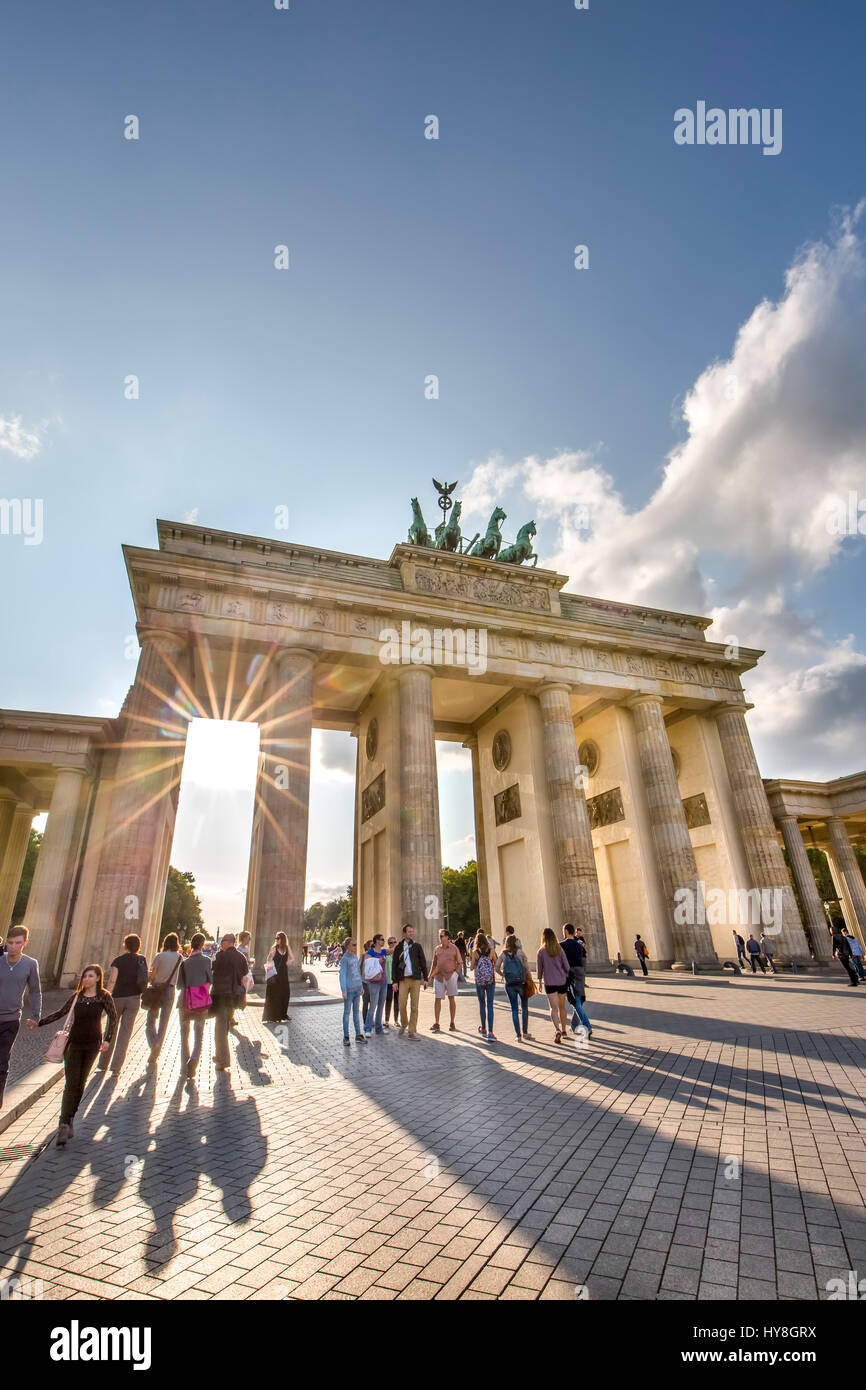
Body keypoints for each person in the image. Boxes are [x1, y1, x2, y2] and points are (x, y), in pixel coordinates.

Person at [39, 964, 116, 1146]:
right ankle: (64, 1123)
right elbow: (60, 1013)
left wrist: (108, 1040)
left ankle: (71, 1117)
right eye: (85, 976)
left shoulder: (104, 997)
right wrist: (39, 1023)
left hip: (92, 1045)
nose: (86, 979)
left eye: (90, 976)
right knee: (71, 1083)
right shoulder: (77, 997)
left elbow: (113, 1018)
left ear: (98, 978)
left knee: (80, 1084)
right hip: (73, 1044)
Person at [0, 925, 42, 1109]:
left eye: (18, 943)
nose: (13, 947)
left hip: (10, 1020)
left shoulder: (30, 964)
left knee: (2, 1060)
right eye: (10, 943)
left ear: (25, 943)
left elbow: (35, 991)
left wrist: (36, 1015)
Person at [98, 934, 148, 1074]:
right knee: (125, 1033)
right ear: (139, 946)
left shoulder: (118, 961)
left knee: (110, 1029)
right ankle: (116, 1066)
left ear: (125, 945)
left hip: (117, 998)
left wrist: (106, 996)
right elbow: (144, 979)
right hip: (134, 999)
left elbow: (112, 980)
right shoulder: (142, 960)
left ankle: (103, 1063)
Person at [176, 933, 213, 1082]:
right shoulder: (206, 961)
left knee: (184, 1035)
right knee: (199, 1033)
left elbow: (179, 985)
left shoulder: (184, 962)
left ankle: (184, 1067)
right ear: (202, 945)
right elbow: (210, 980)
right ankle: (194, 1060)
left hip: (184, 1001)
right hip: (200, 1000)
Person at [211, 933, 249, 1070]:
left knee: (220, 1027)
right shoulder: (241, 957)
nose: (221, 944)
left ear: (228, 942)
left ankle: (223, 1059)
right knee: (225, 1025)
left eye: (222, 942)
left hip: (221, 996)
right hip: (234, 997)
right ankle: (221, 1055)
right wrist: (244, 995)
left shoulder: (220, 956)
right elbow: (245, 979)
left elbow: (212, 973)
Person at [145, 932, 183, 1065]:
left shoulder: (159, 956)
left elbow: (153, 976)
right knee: (164, 1022)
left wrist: (150, 975)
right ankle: (158, 1045)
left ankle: (154, 1043)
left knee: (151, 1020)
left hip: (156, 990)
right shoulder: (179, 957)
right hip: (170, 990)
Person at [391, 924, 428, 1039]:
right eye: (409, 931)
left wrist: (426, 978)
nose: (411, 933)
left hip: (415, 980)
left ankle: (411, 1031)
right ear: (404, 933)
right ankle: (404, 1023)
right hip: (403, 980)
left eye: (412, 931)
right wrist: (394, 981)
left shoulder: (417, 946)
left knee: (414, 1006)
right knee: (401, 1004)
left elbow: (423, 962)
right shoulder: (398, 948)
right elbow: (394, 965)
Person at [536, 928, 572, 1042]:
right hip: (561, 981)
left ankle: (557, 1030)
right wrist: (567, 977)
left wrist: (540, 982)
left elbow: (539, 970)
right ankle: (564, 1030)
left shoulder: (541, 951)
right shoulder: (559, 949)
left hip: (549, 982)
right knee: (562, 1007)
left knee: (553, 1008)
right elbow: (566, 966)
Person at [497, 931, 533, 1041]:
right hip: (521, 983)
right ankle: (525, 1032)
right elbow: (526, 968)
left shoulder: (503, 954)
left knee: (514, 1009)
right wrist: (529, 979)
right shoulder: (520, 953)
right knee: (525, 1007)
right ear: (516, 942)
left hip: (510, 984)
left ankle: (518, 1035)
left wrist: (503, 975)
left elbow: (497, 967)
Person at [428, 928, 462, 1033]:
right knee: (437, 999)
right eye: (439, 936)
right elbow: (434, 964)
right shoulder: (437, 949)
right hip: (438, 977)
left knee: (451, 999)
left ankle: (452, 1022)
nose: (440, 938)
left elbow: (460, 963)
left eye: (442, 936)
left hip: (450, 976)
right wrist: (429, 977)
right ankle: (437, 1022)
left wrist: (455, 974)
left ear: (447, 937)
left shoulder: (454, 948)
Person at [561, 923, 592, 1038]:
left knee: (575, 1001)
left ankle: (587, 1026)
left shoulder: (562, 945)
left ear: (566, 932)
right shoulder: (579, 945)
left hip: (570, 974)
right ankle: (574, 1026)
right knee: (578, 999)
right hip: (580, 972)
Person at [470, 930, 498, 1041]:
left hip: (480, 981)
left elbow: (471, 967)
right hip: (490, 980)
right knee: (490, 1004)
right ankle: (491, 1032)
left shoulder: (475, 952)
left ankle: (484, 1028)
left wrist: (477, 964)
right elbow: (495, 962)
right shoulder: (491, 950)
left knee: (482, 1004)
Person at [339, 936, 365, 1045]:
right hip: (349, 991)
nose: (355, 946)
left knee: (355, 1013)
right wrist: (344, 990)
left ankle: (358, 1035)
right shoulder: (345, 959)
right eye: (353, 945)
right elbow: (342, 975)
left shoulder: (354, 957)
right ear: (348, 946)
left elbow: (358, 973)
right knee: (346, 1013)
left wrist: (361, 987)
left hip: (356, 990)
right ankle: (346, 1037)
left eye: (355, 944)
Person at [263, 932, 294, 1023]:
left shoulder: (287, 948)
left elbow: (293, 958)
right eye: (276, 938)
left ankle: (282, 1014)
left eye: (278, 938)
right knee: (273, 994)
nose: (276, 940)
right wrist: (270, 956)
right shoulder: (273, 948)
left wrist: (289, 962)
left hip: (283, 974)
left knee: (284, 993)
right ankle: (271, 1016)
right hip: (274, 973)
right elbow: (268, 960)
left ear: (283, 939)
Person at [361, 935, 388, 1036]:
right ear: (376, 941)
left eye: (383, 940)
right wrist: (377, 961)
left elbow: (393, 950)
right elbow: (367, 964)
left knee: (381, 1006)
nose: (383, 941)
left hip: (384, 982)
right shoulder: (370, 952)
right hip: (374, 983)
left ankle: (378, 1028)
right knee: (372, 1006)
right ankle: (367, 1029)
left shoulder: (384, 951)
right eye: (381, 939)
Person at [384, 936, 399, 1025]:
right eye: (390, 943)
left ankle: (396, 1020)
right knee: (388, 1000)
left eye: (394, 942)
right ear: (388, 944)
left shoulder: (399, 954)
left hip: (397, 981)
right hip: (388, 981)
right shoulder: (386, 954)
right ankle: (386, 1020)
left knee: (397, 1001)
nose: (393, 944)